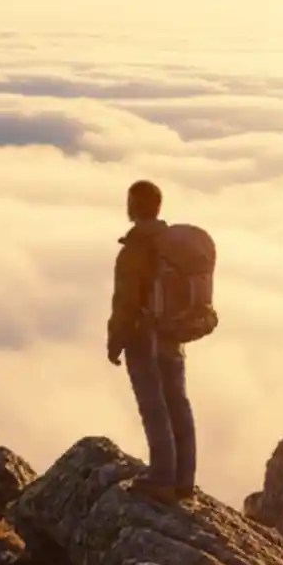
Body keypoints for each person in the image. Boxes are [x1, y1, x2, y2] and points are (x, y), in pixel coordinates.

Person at [107, 180, 196, 503]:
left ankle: (161, 477)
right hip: (174, 335)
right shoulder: (175, 246)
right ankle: (183, 481)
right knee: (178, 405)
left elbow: (126, 301)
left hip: (144, 337)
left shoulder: (136, 249)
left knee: (153, 407)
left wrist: (115, 340)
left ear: (134, 206)